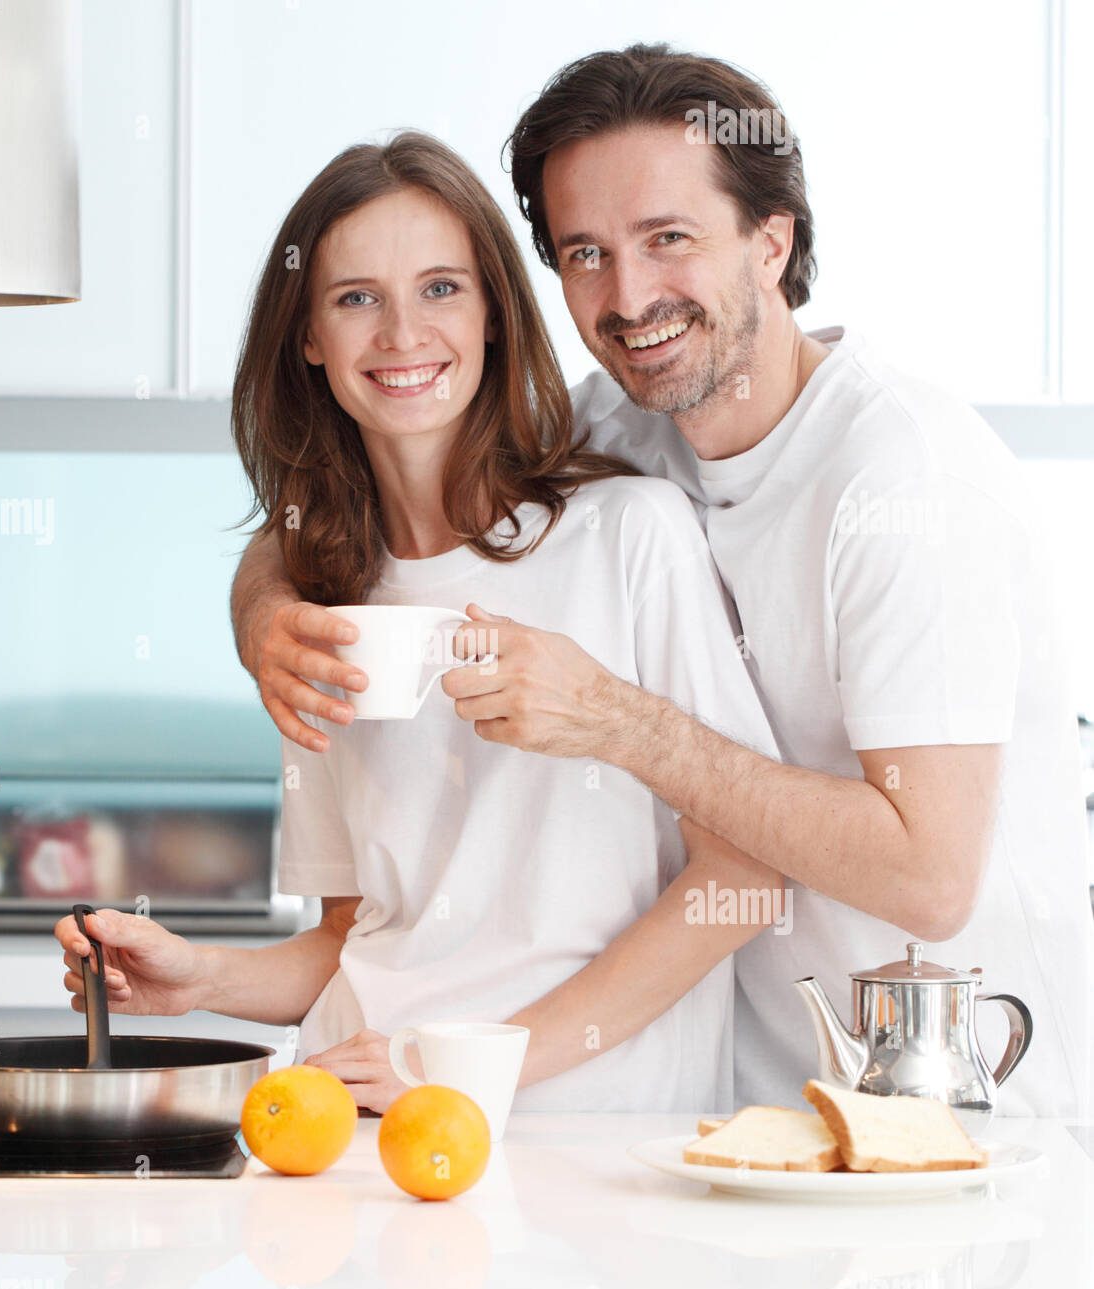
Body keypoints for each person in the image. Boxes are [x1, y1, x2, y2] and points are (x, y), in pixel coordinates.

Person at [231, 47, 1092, 1120]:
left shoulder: (902, 479)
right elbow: (377, 493)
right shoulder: (620, 425)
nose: (628, 296)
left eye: (667, 239)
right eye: (585, 253)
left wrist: (617, 721)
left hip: (970, 1107)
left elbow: (928, 876)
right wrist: (264, 608)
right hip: (762, 1107)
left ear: (770, 239)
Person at [58, 131, 783, 1115]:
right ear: (309, 334)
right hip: (355, 1121)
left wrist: (473, 1064)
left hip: (588, 1136)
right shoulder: (312, 607)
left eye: (441, 288)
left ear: (492, 312)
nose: (402, 333)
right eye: (357, 298)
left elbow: (744, 874)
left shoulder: (628, 536)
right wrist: (205, 979)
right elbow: (359, 932)